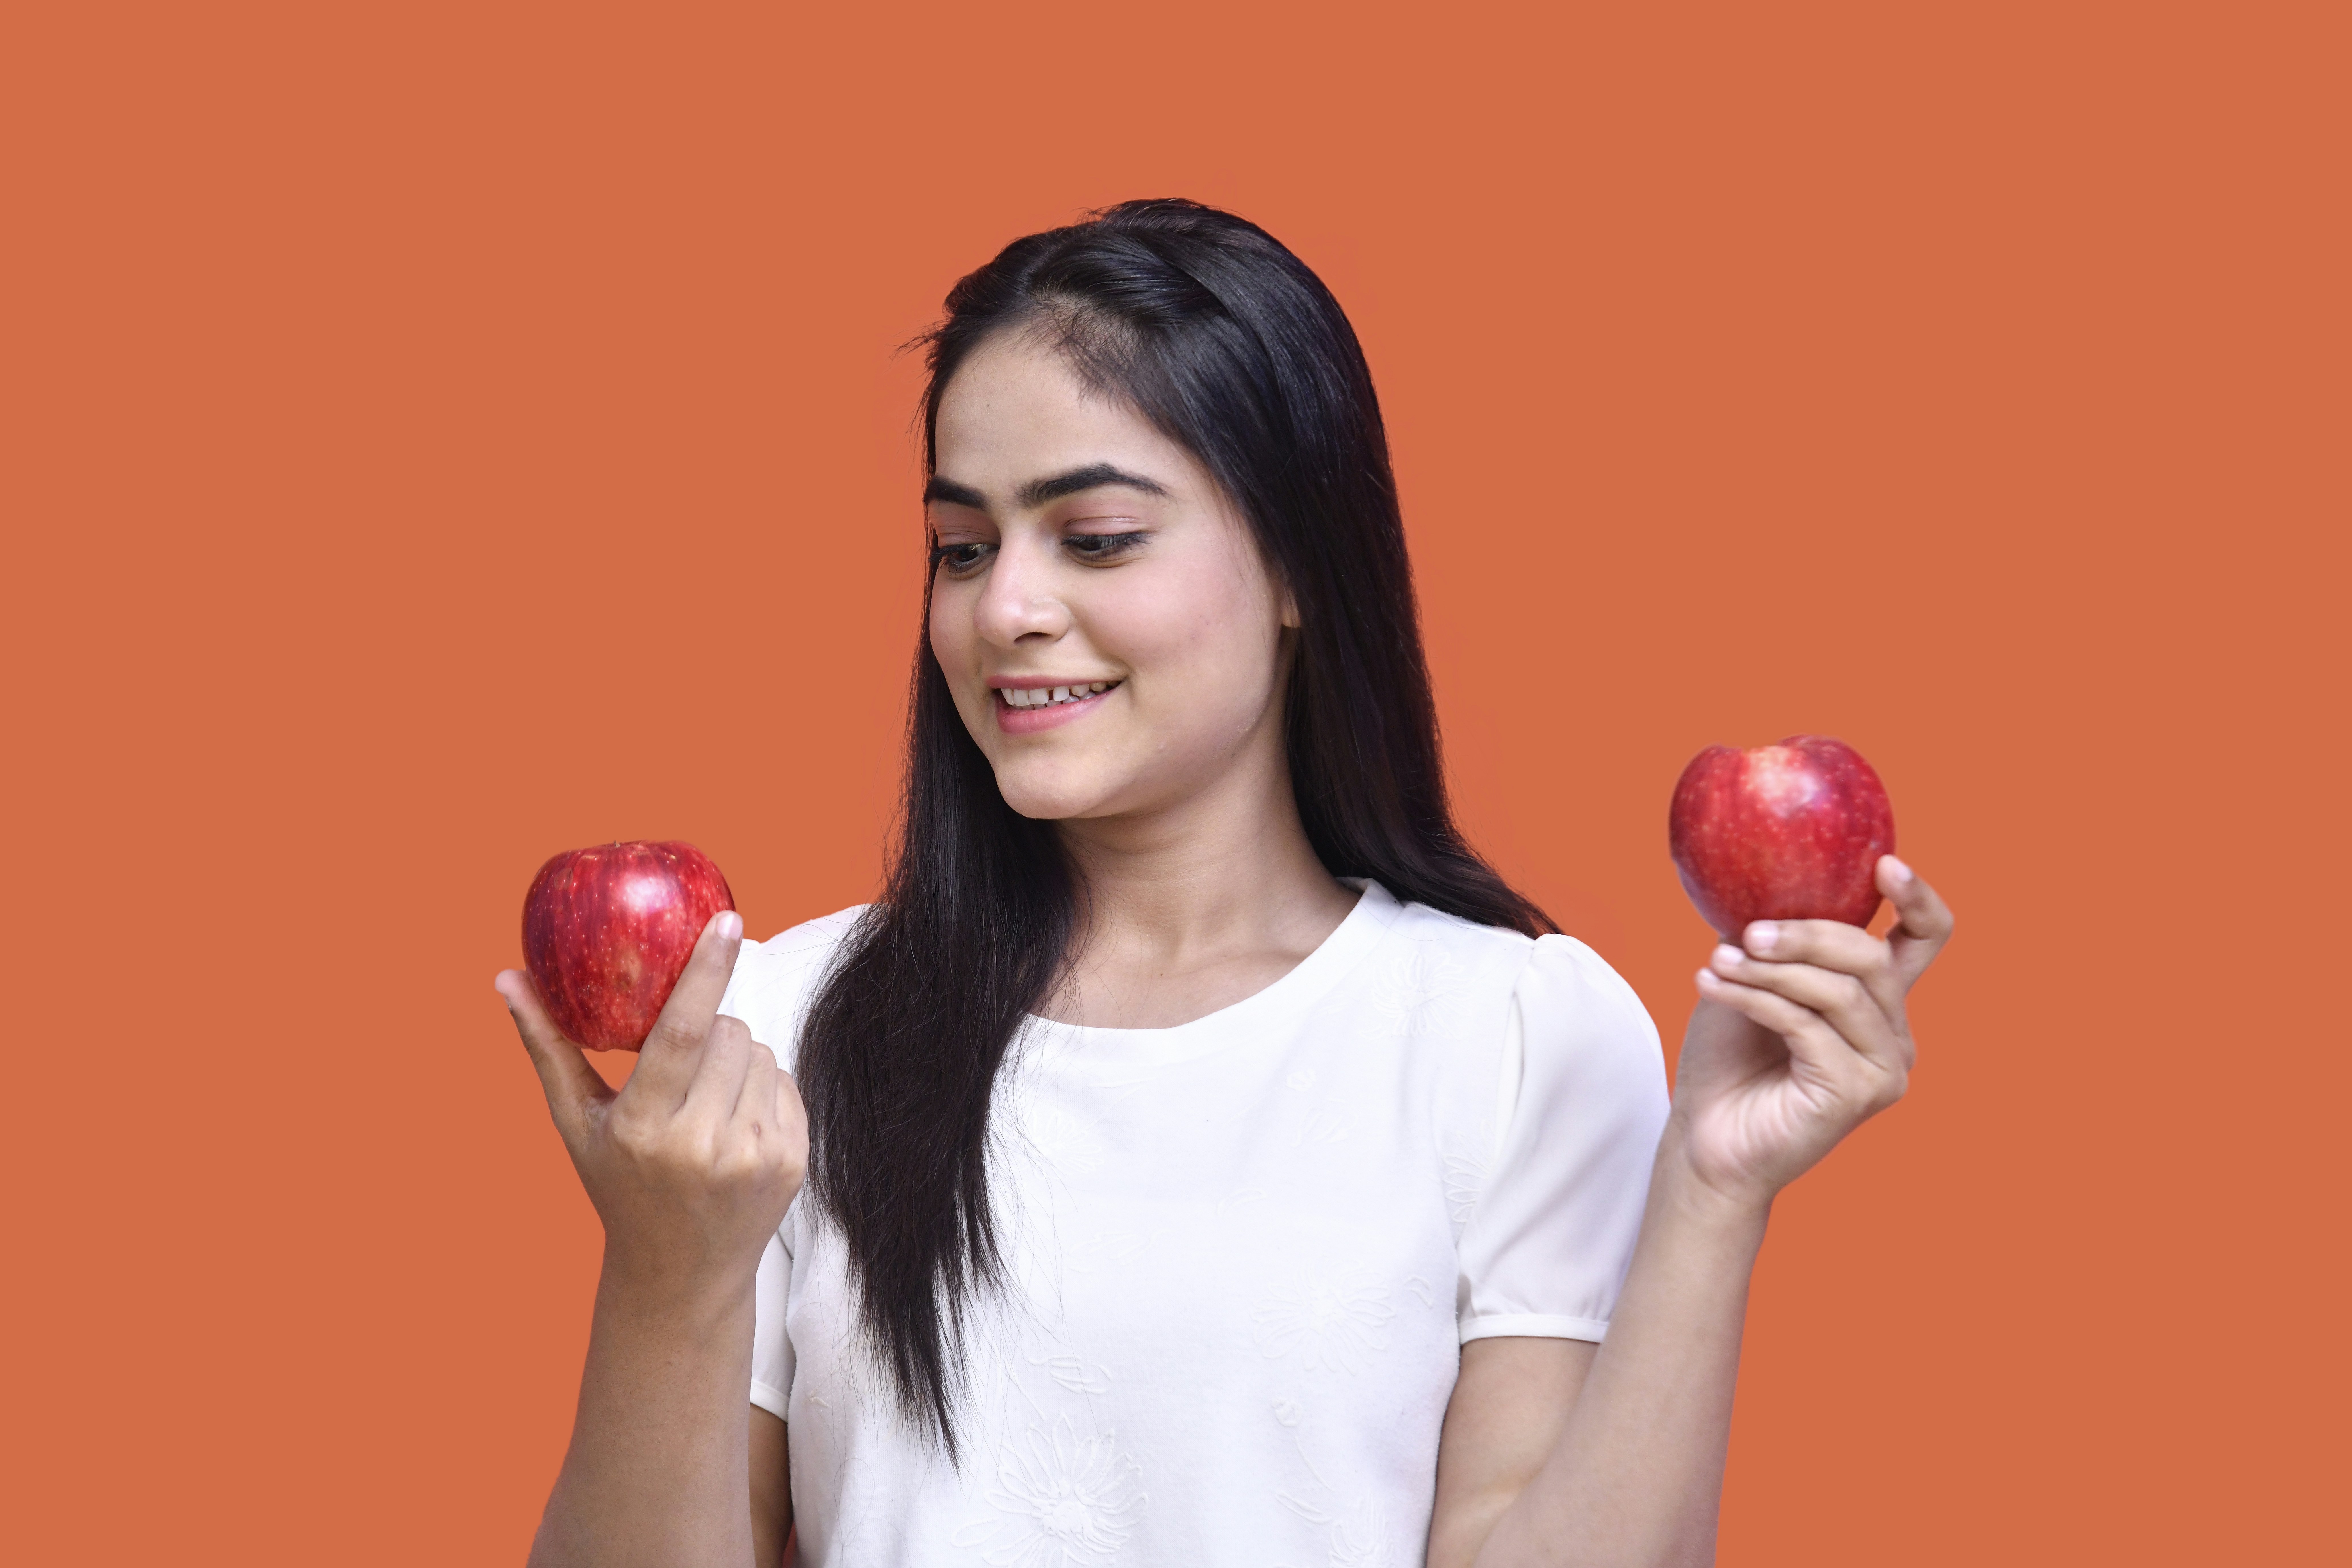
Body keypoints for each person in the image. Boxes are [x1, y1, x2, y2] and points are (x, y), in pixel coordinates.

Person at [496, 198, 1953, 1568]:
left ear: (1298, 565)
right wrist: (666, 1272)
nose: (1006, 608)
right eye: (961, 546)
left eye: (1099, 536)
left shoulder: (1514, 1032)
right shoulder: (784, 1020)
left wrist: (1710, 1185)